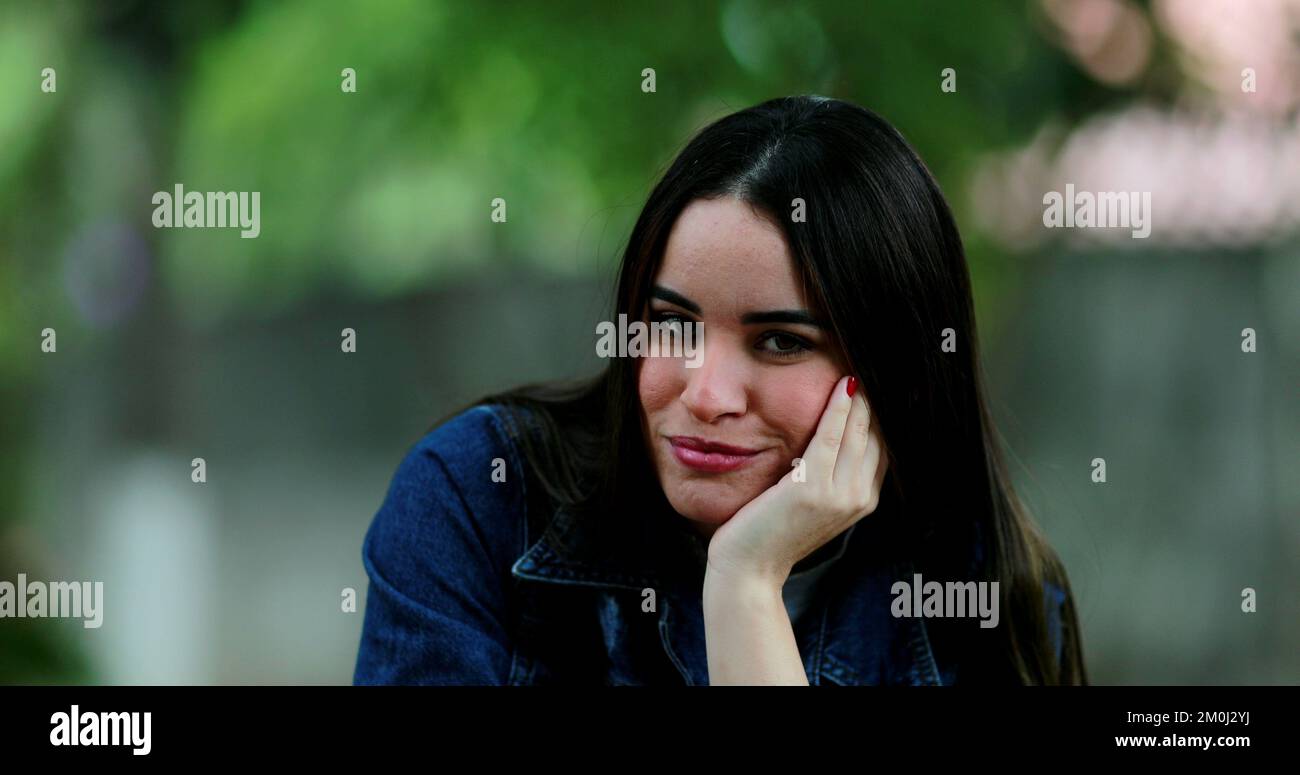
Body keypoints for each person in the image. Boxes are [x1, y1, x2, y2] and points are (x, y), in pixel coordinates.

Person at [352, 95, 1087, 685]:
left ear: (898, 374)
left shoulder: (986, 596)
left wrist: (745, 585)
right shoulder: (479, 501)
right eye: (673, 325)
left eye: (781, 341)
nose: (707, 396)